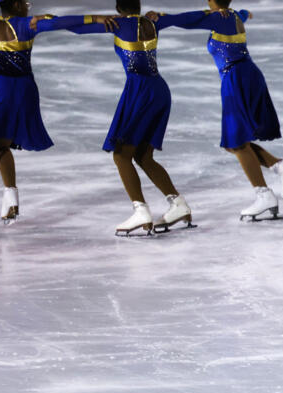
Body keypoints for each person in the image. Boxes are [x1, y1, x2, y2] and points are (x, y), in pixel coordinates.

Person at [0, 0, 117, 236]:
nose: (28, 4)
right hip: (24, 92)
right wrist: (95, 18)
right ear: (15, 4)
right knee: (2, 144)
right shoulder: (27, 25)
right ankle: (11, 198)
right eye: (25, 1)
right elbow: (61, 22)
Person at [145, 2, 283, 222]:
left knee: (235, 143)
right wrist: (245, 13)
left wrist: (156, 19)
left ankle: (266, 192)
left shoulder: (219, 18)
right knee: (236, 142)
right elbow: (237, 13)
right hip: (243, 76)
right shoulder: (231, 15)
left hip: (237, 79)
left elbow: (184, 19)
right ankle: (281, 167)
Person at [65, 2, 215, 236]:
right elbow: (187, 17)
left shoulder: (117, 24)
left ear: (117, 6)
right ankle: (178, 205)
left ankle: (140, 211)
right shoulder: (152, 21)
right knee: (144, 156)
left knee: (121, 154)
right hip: (159, 89)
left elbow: (72, 27)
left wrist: (94, 19)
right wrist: (213, 12)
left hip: (139, 91)